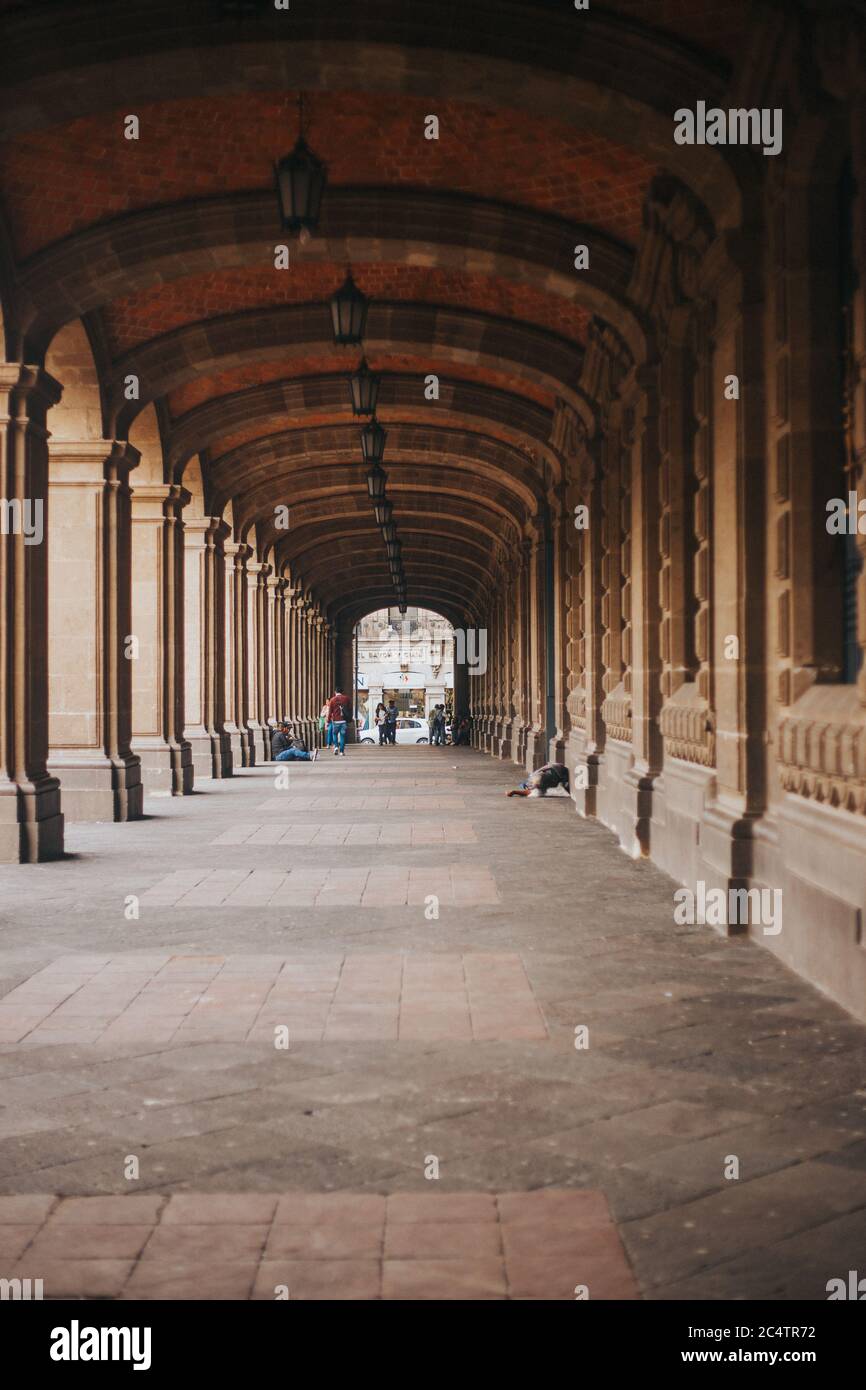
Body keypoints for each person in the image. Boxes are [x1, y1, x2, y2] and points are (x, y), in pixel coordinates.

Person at [327, 687, 351, 757]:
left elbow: (330, 712)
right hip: (343, 721)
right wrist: (349, 719)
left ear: (335, 692)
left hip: (335, 721)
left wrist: (328, 720)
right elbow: (350, 709)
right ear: (342, 692)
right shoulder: (346, 699)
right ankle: (341, 752)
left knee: (334, 734)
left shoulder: (332, 699)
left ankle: (336, 747)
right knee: (342, 736)